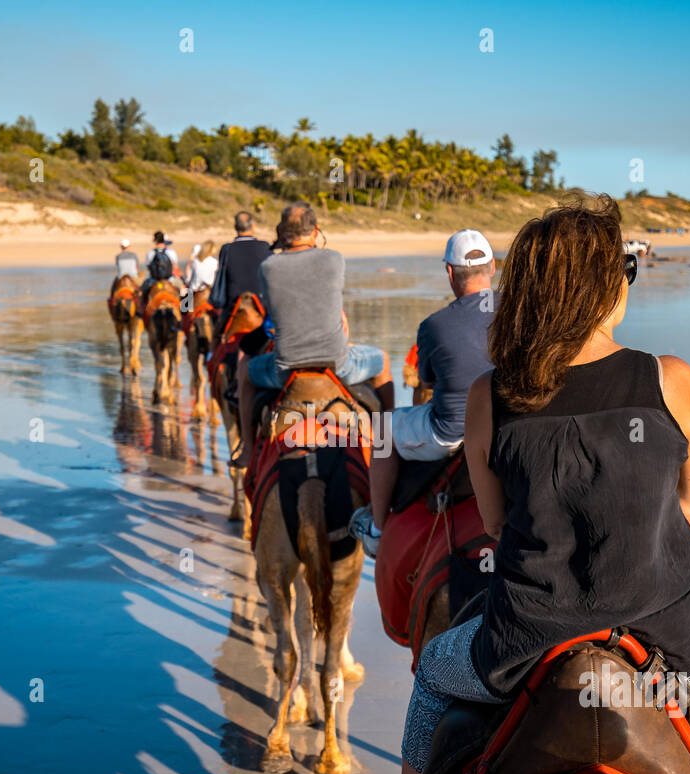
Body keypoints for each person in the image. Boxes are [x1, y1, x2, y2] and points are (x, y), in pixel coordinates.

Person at [365, 195, 690, 774]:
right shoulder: (671, 379)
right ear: (608, 290)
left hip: (524, 644)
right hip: (672, 645)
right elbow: (689, 508)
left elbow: (494, 518)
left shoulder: (491, 395)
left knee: (432, 671)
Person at [348, 229, 496, 555]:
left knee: (384, 429)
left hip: (450, 435)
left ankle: (376, 528)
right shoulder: (521, 310)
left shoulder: (434, 325)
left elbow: (427, 383)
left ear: (448, 272)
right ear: (493, 267)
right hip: (507, 427)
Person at [233, 203, 393, 463]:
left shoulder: (268, 267)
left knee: (244, 371)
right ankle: (387, 444)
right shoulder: (334, 259)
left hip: (285, 369)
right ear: (316, 231)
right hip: (337, 365)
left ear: (282, 232)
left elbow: (275, 315)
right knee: (383, 361)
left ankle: (249, 449)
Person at [209, 211, 272, 333]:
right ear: (253, 226)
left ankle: (185, 316)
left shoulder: (226, 249)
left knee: (216, 337)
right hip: (261, 303)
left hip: (233, 305)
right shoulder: (265, 247)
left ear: (235, 228)